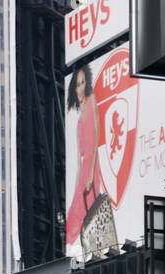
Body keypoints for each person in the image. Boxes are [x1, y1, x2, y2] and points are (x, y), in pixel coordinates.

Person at [65, 61, 103, 247]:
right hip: (83, 174)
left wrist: (89, 177)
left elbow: (96, 141)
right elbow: (78, 164)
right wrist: (74, 194)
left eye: (82, 83)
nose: (80, 88)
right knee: (74, 216)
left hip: (92, 167)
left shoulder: (92, 101)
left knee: (93, 213)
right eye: (77, 84)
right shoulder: (78, 123)